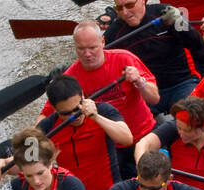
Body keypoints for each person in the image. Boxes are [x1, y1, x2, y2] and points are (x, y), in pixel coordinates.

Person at [3, 74, 132, 190]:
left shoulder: (103, 110)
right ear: (54, 109)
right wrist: (3, 164)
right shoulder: (48, 127)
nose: (74, 116)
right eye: (66, 113)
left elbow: (126, 138)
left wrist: (95, 117)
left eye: (77, 109)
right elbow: (24, 162)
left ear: (83, 96)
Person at [43, 20, 159, 176]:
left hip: (143, 135)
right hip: (110, 146)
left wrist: (140, 82)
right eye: (81, 49)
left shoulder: (124, 59)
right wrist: (29, 143)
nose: (87, 54)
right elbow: (47, 115)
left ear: (103, 42)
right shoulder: (70, 77)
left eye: (92, 48)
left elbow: (154, 99)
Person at [100, 0, 204, 106]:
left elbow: (198, 45)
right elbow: (100, 62)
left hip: (181, 84)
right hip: (144, 90)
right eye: (119, 7)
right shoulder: (114, 32)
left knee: (191, 114)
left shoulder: (165, 13)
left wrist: (181, 24)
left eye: (129, 5)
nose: (125, 12)